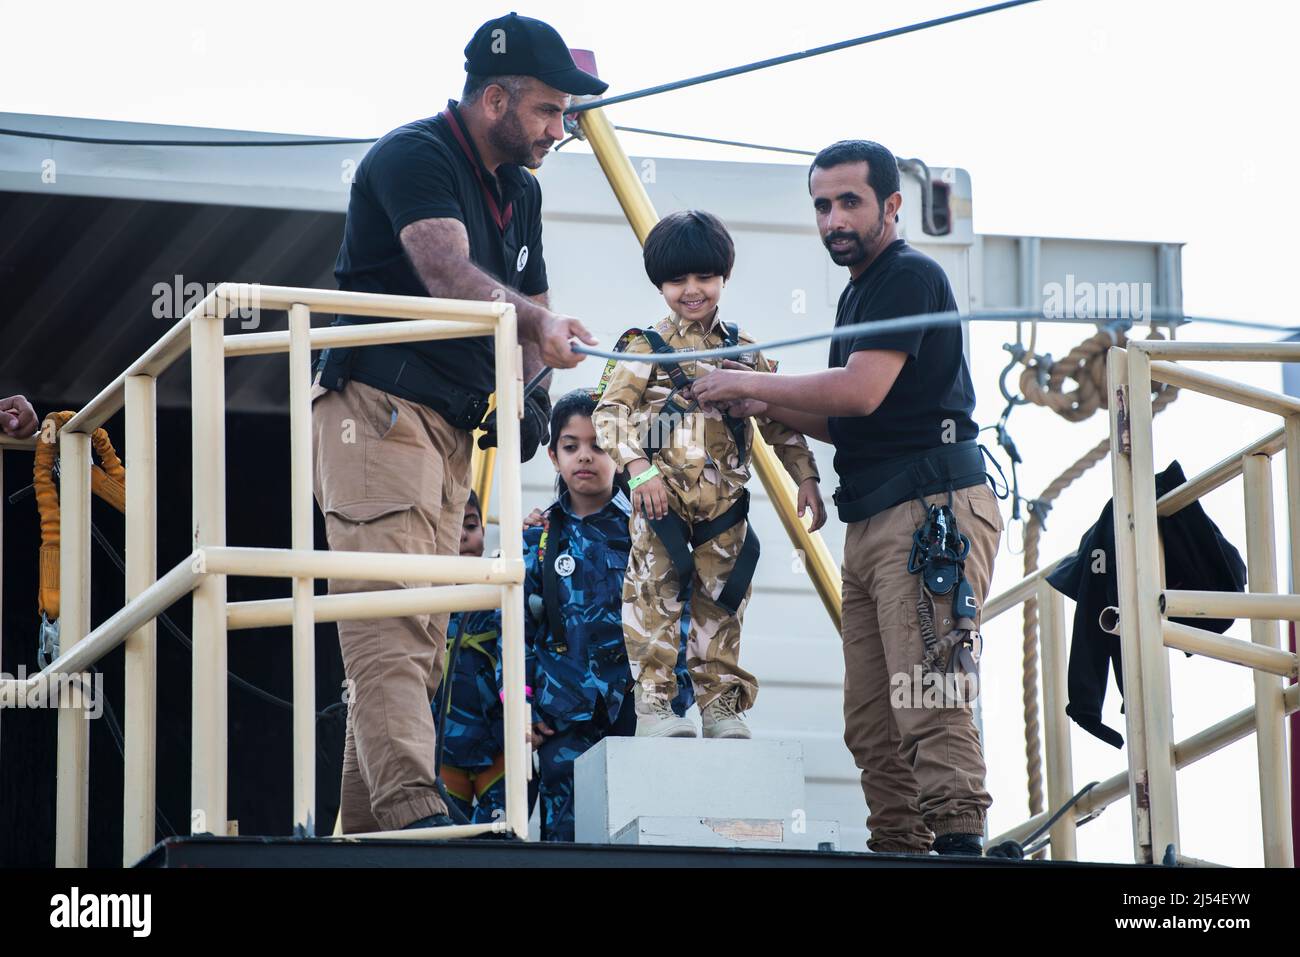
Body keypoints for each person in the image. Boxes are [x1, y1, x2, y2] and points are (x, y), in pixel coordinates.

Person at [313, 12, 601, 834]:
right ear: (495, 99)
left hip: (443, 430)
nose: (558, 129)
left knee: (421, 632)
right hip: (375, 411)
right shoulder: (416, 153)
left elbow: (535, 313)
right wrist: (535, 335)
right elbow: (443, 271)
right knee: (392, 619)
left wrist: (535, 393)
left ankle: (368, 836)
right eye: (548, 111)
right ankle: (414, 819)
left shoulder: (523, 191)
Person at [691, 140, 1003, 855]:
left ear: (892, 205)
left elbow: (857, 390)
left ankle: (957, 841)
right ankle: (900, 845)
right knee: (871, 719)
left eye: (849, 202)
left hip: (929, 514)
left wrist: (752, 384)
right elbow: (846, 418)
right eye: (822, 205)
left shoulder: (907, 276)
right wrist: (750, 402)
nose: (833, 218)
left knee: (928, 692)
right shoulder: (861, 291)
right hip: (877, 520)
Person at [591, 210, 823, 740]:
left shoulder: (744, 349)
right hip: (660, 505)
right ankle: (654, 706)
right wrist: (638, 469)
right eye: (677, 280)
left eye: (704, 278)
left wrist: (804, 478)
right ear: (660, 285)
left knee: (722, 606)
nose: (691, 291)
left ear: (724, 278)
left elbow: (778, 419)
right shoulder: (643, 346)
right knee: (652, 600)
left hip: (724, 510)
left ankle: (720, 705)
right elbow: (609, 414)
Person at [520, 389, 694, 841]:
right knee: (567, 840)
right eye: (570, 445)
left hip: (640, 713)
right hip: (564, 717)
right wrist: (519, 706)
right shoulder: (538, 540)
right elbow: (515, 632)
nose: (585, 457)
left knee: (646, 837)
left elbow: (680, 617)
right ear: (553, 456)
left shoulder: (650, 530)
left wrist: (676, 701)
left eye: (599, 444)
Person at [431, 491, 507, 824]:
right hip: (443, 751)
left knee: (501, 841)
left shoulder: (504, 587)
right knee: (447, 847)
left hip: (498, 748)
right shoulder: (421, 596)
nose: (462, 534)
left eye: (471, 525)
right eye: (450, 526)